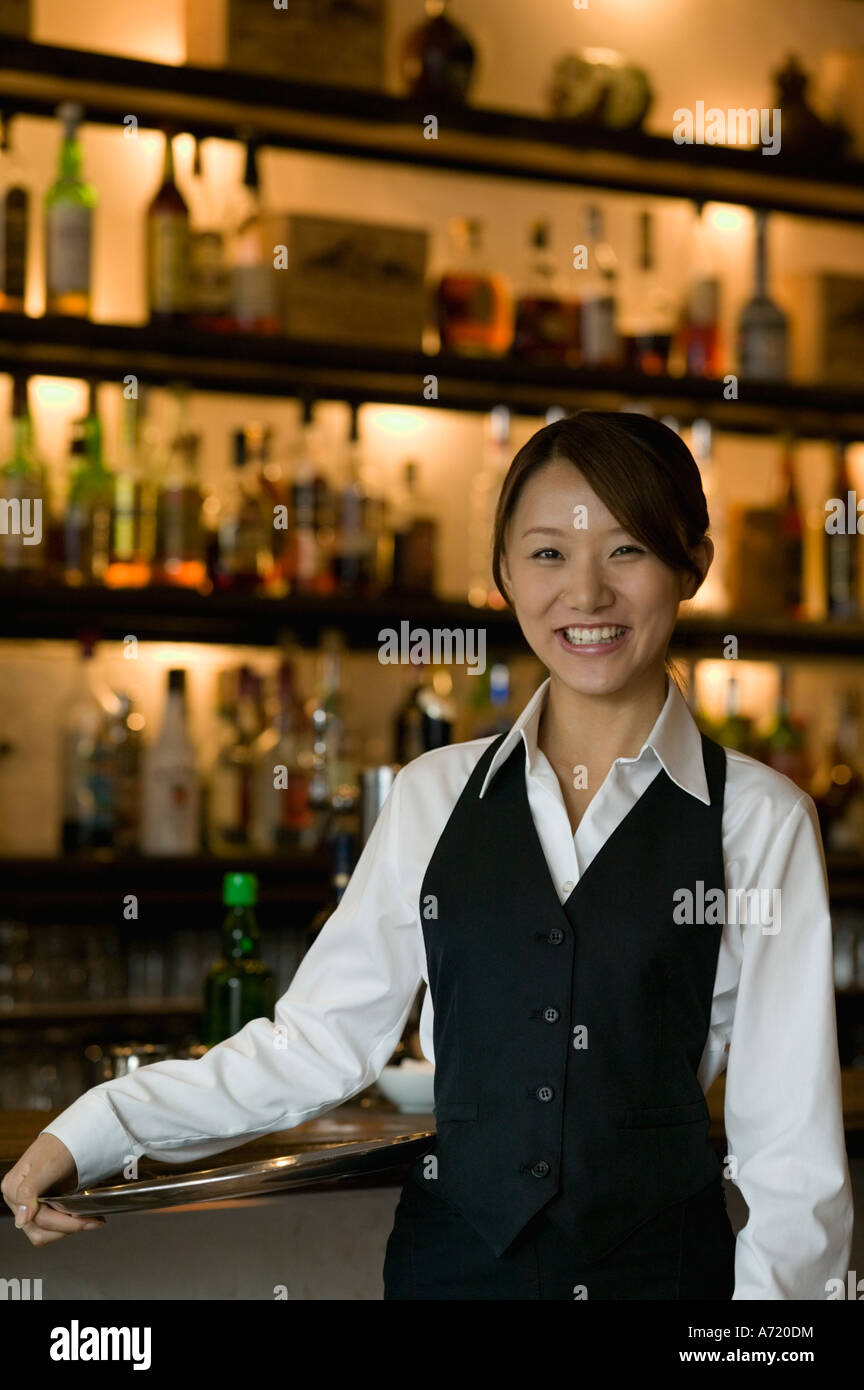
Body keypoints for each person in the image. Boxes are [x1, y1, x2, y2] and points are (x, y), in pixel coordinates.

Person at [3, 411, 853, 1300]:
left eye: (629, 550)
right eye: (548, 554)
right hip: (447, 1280)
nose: (587, 594)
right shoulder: (433, 796)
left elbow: (793, 1159)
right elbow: (316, 1044)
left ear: (693, 565)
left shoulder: (759, 823)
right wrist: (95, 1128)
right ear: (503, 575)